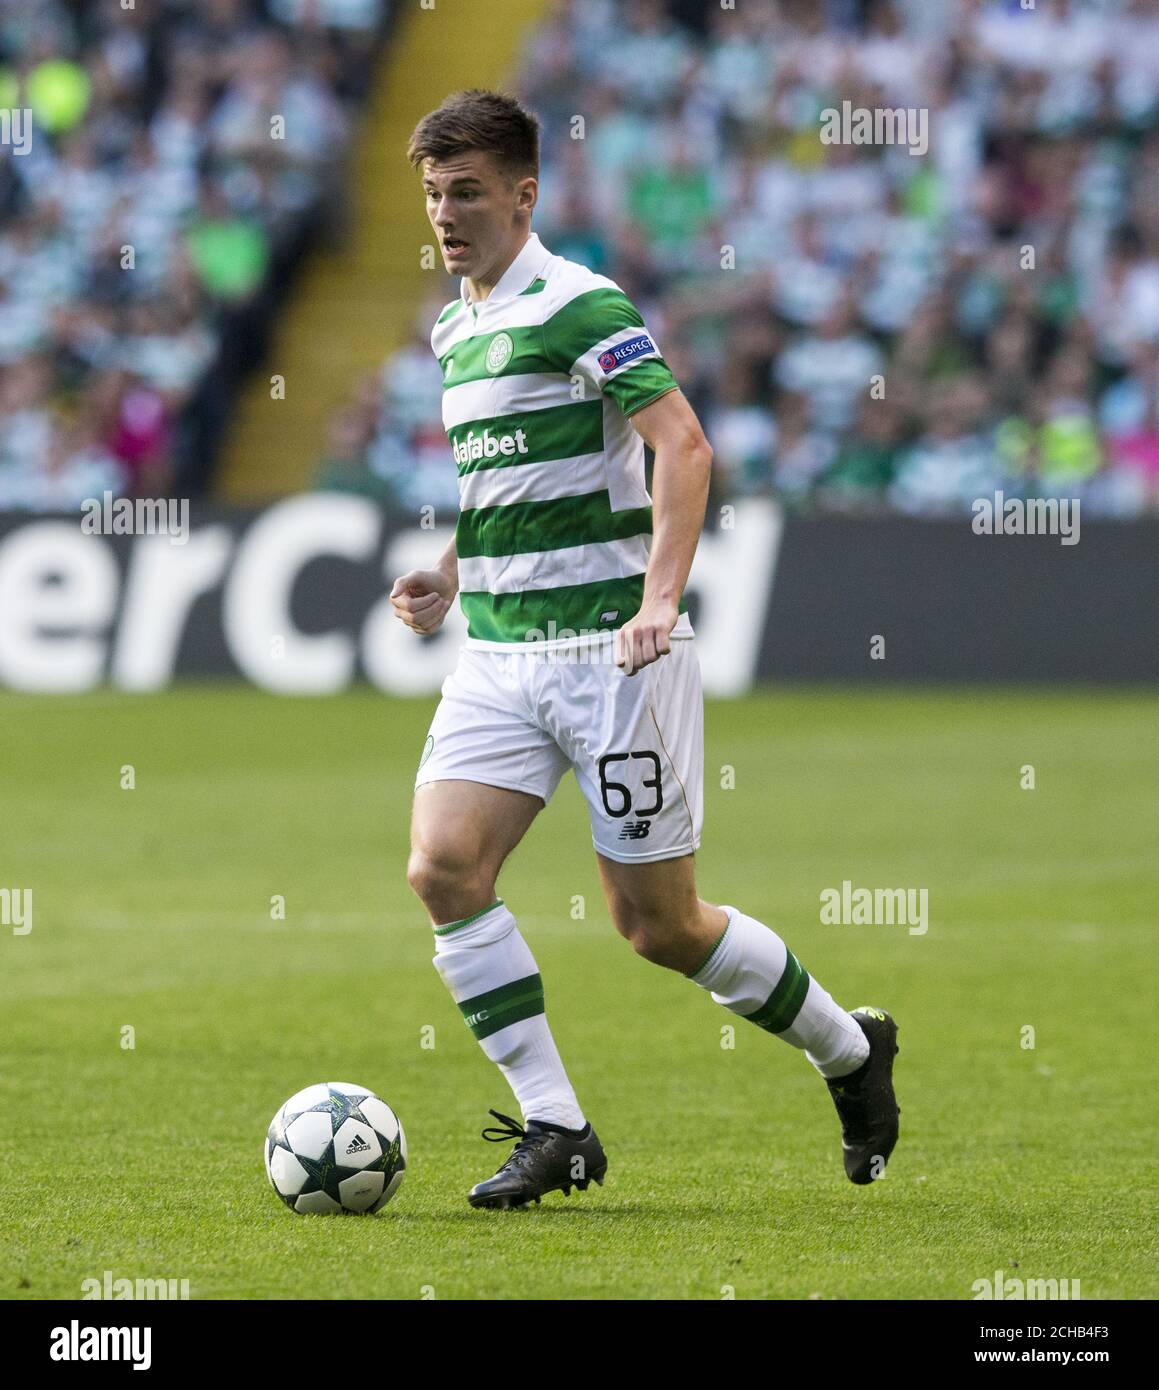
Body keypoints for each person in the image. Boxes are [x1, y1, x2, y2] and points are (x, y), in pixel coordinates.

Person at [391, 89, 900, 1209]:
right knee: (442, 868)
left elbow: (685, 446)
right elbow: (503, 484)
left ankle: (849, 1051)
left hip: (612, 659)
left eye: (466, 191)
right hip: (499, 654)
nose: (446, 213)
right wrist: (453, 572)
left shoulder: (581, 304)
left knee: (658, 928)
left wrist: (659, 596)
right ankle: (557, 1125)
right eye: (432, 194)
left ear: (524, 194)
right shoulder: (456, 325)